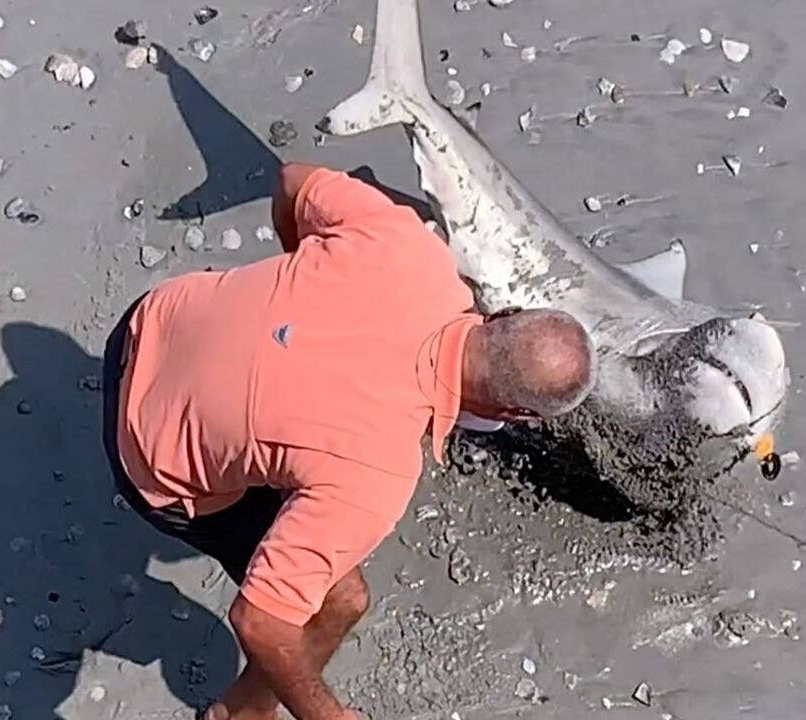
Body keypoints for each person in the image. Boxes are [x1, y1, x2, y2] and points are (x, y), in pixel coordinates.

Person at [102, 162, 596, 720]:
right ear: (510, 412)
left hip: (153, 317)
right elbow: (258, 620)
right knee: (338, 602)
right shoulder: (376, 474)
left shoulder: (413, 248)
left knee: (332, 567)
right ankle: (243, 715)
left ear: (505, 313)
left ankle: (244, 711)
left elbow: (293, 178)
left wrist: (300, 271)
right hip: (147, 453)